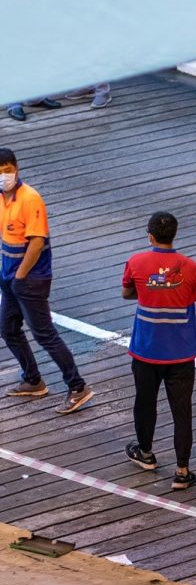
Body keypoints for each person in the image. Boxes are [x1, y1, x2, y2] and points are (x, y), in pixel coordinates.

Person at [0, 148, 93, 413]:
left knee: (44, 333)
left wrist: (20, 276)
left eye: (7, 170)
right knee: (8, 329)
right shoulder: (2, 199)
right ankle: (33, 380)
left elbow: (37, 242)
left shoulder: (30, 199)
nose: (4, 176)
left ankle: (78, 387)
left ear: (16, 168)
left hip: (30, 279)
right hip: (9, 277)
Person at [122, 211, 196, 490]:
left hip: (146, 350)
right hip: (180, 351)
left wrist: (148, 292)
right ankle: (182, 470)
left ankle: (145, 452)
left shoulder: (136, 262)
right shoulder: (190, 266)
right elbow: (189, 297)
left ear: (150, 236)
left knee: (145, 402)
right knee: (182, 411)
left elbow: (127, 293)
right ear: (174, 234)